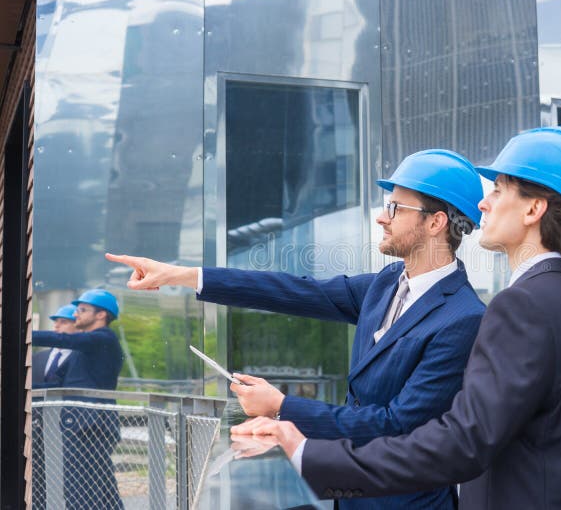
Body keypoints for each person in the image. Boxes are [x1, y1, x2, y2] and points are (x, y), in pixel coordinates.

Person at [234, 127, 561, 509]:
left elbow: (463, 442)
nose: (483, 203)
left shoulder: (521, 307)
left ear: (534, 209)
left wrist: (310, 453)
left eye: (498, 191)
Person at [106, 149, 487, 509]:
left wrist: (282, 407)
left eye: (395, 208)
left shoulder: (462, 318)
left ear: (436, 222)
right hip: (352, 494)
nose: (382, 216)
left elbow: (397, 425)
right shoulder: (386, 284)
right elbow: (294, 290)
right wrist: (182, 275)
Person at [32, 289, 124, 510]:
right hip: (81, 424)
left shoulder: (104, 339)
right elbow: (59, 386)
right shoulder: (84, 351)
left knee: (81, 489)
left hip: (91, 424)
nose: (76, 315)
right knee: (101, 488)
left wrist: (24, 334)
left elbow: (63, 339)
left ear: (101, 315)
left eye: (82, 310)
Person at [32, 303, 78, 510]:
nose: (57, 326)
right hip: (36, 432)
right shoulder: (38, 358)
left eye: (64, 322)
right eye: (56, 322)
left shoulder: (81, 358)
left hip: (67, 431)